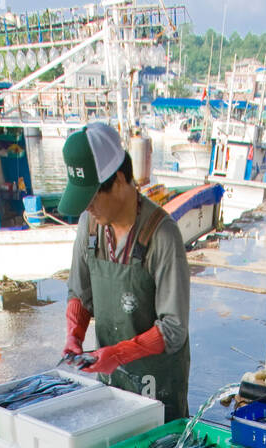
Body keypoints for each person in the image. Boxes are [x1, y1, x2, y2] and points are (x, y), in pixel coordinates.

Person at [58, 122, 191, 422]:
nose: (87, 208)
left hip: (158, 387)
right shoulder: (88, 226)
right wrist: (74, 335)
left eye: (91, 198)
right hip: (111, 384)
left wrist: (117, 354)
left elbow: (173, 329)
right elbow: (80, 294)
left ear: (118, 180)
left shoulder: (162, 236)